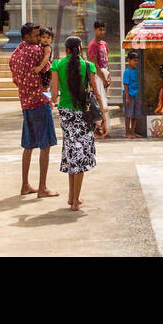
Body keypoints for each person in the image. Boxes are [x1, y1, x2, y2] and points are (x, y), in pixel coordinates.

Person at [50, 35, 107, 211]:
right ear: (80, 49)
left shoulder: (57, 65)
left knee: (70, 151)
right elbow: (96, 93)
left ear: (66, 49)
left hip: (66, 113)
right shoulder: (88, 66)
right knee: (80, 155)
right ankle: (75, 201)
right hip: (83, 114)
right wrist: (103, 119)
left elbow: (53, 96)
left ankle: (71, 197)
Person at [9, 22, 58, 199]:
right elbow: (49, 69)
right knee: (45, 145)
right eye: (37, 36)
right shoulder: (37, 51)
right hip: (39, 101)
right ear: (28, 36)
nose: (40, 39)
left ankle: (25, 185)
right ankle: (43, 187)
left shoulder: (16, 53)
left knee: (28, 145)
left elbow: (14, 77)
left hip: (25, 103)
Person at [86, 19, 111, 137]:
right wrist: (103, 78)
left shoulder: (104, 44)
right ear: (95, 30)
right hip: (97, 76)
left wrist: (108, 75)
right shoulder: (93, 45)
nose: (102, 32)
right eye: (99, 30)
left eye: (103, 29)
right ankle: (99, 128)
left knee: (104, 101)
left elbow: (107, 60)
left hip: (105, 74)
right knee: (99, 102)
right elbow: (94, 64)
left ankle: (104, 127)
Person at [122, 50, 142, 138]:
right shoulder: (127, 71)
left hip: (136, 94)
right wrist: (127, 97)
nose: (136, 62)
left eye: (137, 60)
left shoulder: (137, 71)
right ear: (129, 60)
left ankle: (133, 131)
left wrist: (139, 96)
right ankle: (127, 132)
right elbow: (125, 84)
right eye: (134, 60)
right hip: (129, 94)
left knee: (136, 114)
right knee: (128, 114)